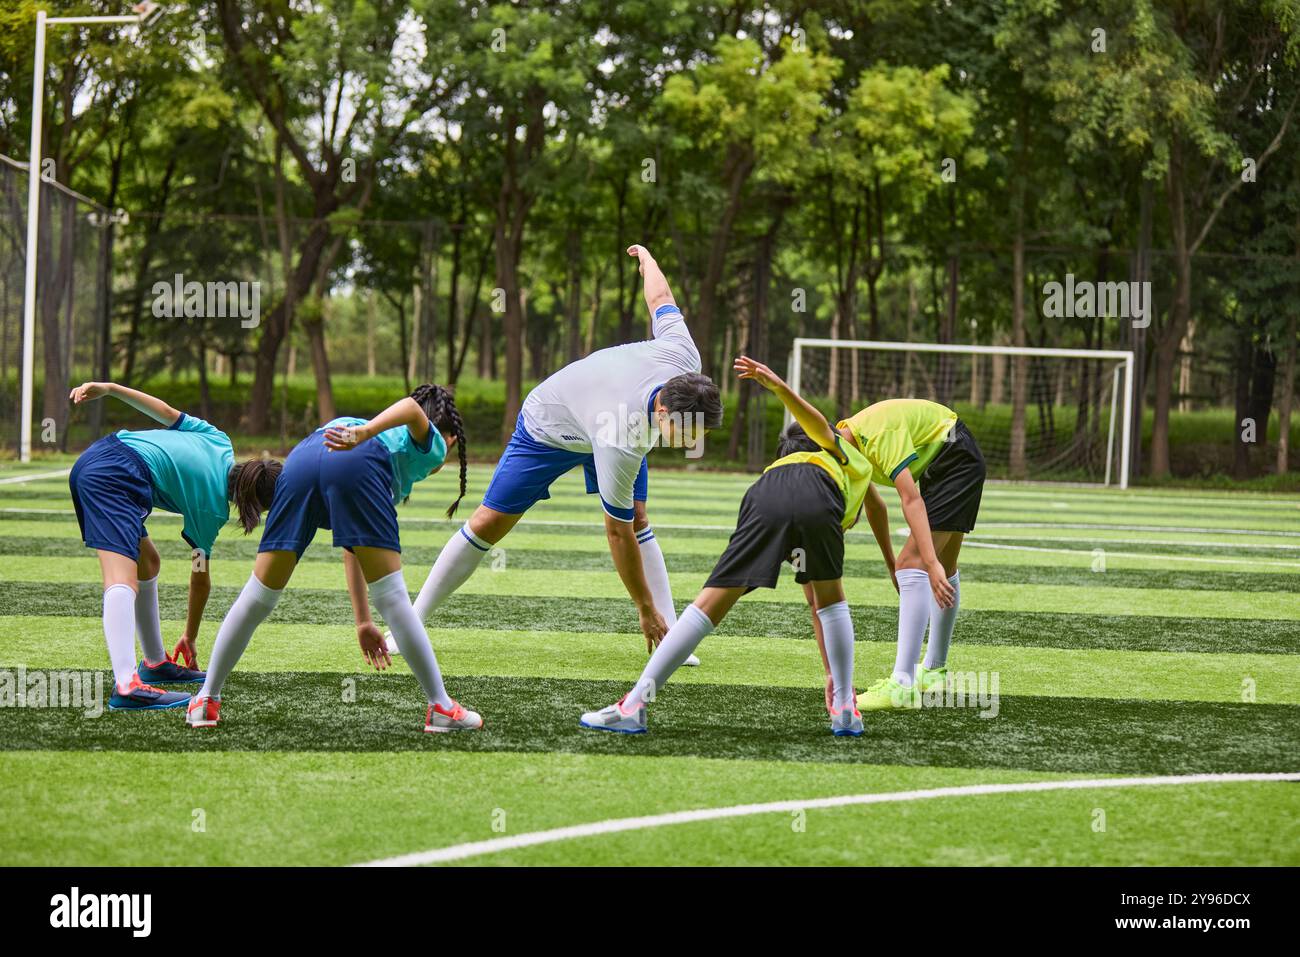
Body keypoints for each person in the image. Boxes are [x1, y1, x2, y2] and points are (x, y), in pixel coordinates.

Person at [391, 244, 722, 666]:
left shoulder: (683, 358)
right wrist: (643, 609)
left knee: (639, 516)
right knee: (489, 523)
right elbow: (615, 535)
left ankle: (672, 639)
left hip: (601, 421)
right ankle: (409, 624)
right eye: (687, 429)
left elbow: (661, 301)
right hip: (550, 426)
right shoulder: (622, 437)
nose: (693, 441)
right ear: (662, 410)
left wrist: (649, 261)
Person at [580, 355, 871, 737]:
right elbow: (818, 601)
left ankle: (634, 705)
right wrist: (832, 677)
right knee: (833, 601)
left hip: (765, 497)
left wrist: (780, 387)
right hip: (821, 499)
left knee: (708, 606)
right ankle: (846, 707)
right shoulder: (847, 463)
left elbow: (810, 432)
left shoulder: (778, 468)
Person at [186, 384, 482, 733]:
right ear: (448, 439)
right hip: (357, 457)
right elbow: (409, 407)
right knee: (393, 596)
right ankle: (442, 708)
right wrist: (365, 434)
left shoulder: (390, 450)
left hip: (304, 457)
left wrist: (362, 621)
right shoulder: (430, 447)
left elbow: (351, 547)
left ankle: (205, 699)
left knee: (258, 596)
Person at [67, 381, 280, 711]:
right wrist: (190, 636)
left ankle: (154, 665)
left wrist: (109, 388)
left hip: (108, 456)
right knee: (120, 577)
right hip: (115, 475)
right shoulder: (211, 511)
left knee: (147, 562)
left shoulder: (219, 440)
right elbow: (199, 576)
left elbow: (164, 411)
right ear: (254, 507)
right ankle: (126, 686)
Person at [832, 398, 985, 710]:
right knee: (943, 565)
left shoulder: (875, 436)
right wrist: (891, 564)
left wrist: (921, 564)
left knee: (917, 563)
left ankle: (901, 684)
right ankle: (934, 672)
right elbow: (874, 506)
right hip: (952, 459)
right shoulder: (847, 448)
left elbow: (910, 499)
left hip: (953, 460)